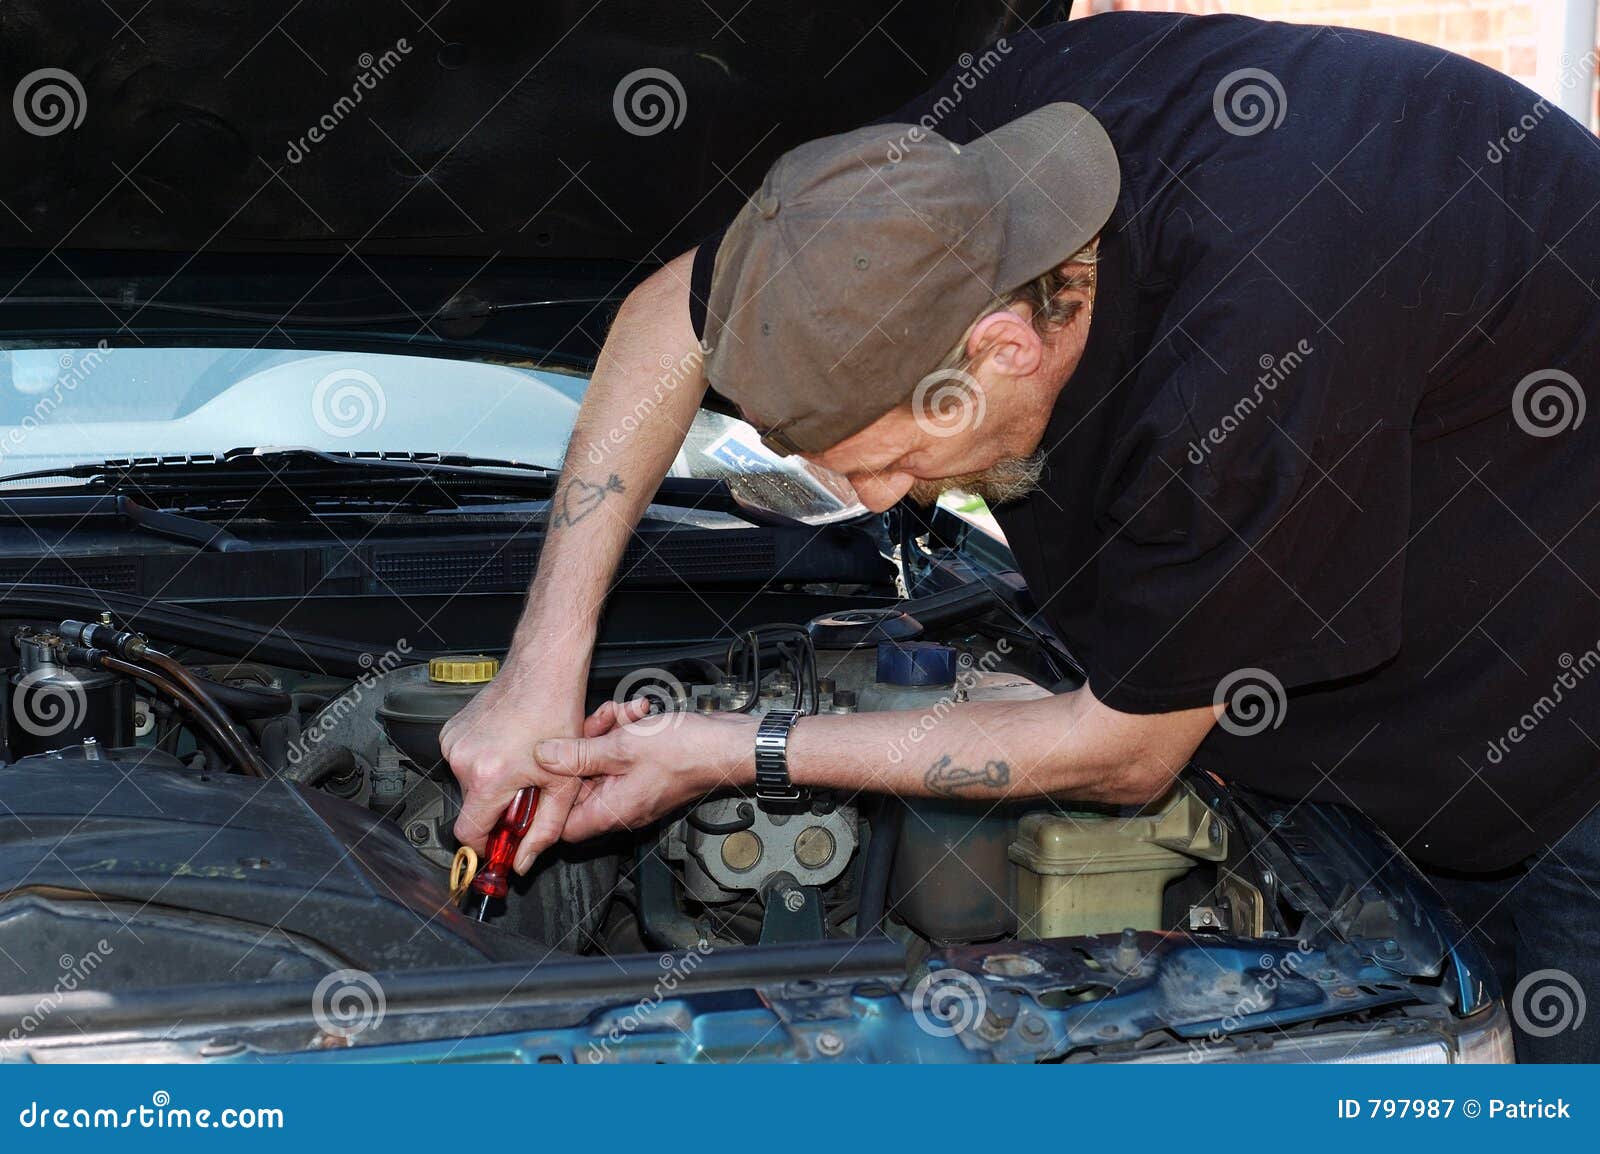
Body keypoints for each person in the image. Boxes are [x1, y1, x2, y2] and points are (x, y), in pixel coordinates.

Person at [442, 13, 1600, 1060]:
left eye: (897, 459)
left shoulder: (1249, 358)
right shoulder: (957, 171)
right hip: (1358, 684)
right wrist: (541, 667)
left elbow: (1125, 748)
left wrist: (728, 746)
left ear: (1001, 344)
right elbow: (671, 311)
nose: (887, 498)